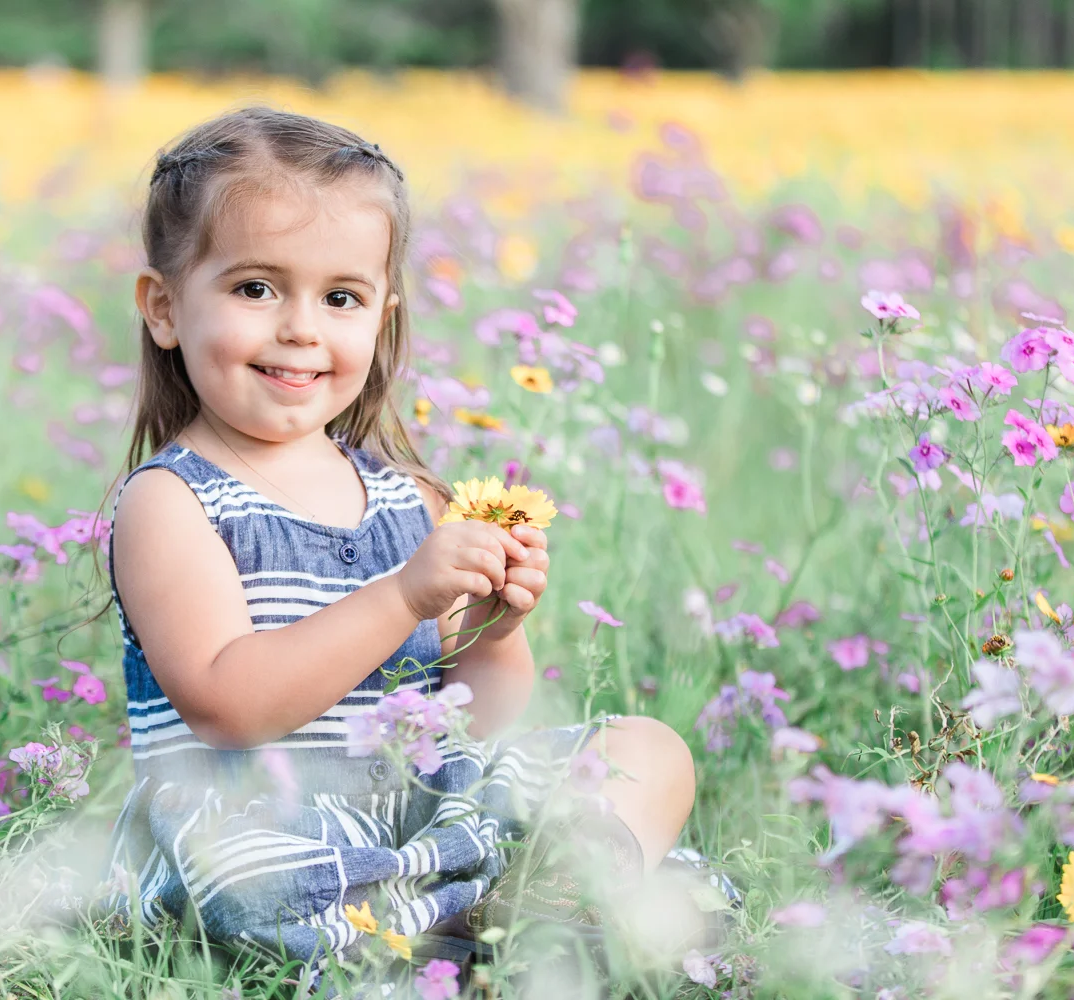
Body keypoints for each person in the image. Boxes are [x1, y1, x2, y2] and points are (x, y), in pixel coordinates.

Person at [100, 106, 697, 974]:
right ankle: (467, 937)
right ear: (164, 308)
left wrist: (496, 630)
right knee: (250, 882)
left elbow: (481, 721)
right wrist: (403, 595)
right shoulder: (172, 501)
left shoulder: (410, 499)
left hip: (419, 817)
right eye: (256, 289)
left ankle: (540, 917)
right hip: (265, 837)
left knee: (649, 752)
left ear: (381, 318)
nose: (301, 327)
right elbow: (230, 707)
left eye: (340, 298)